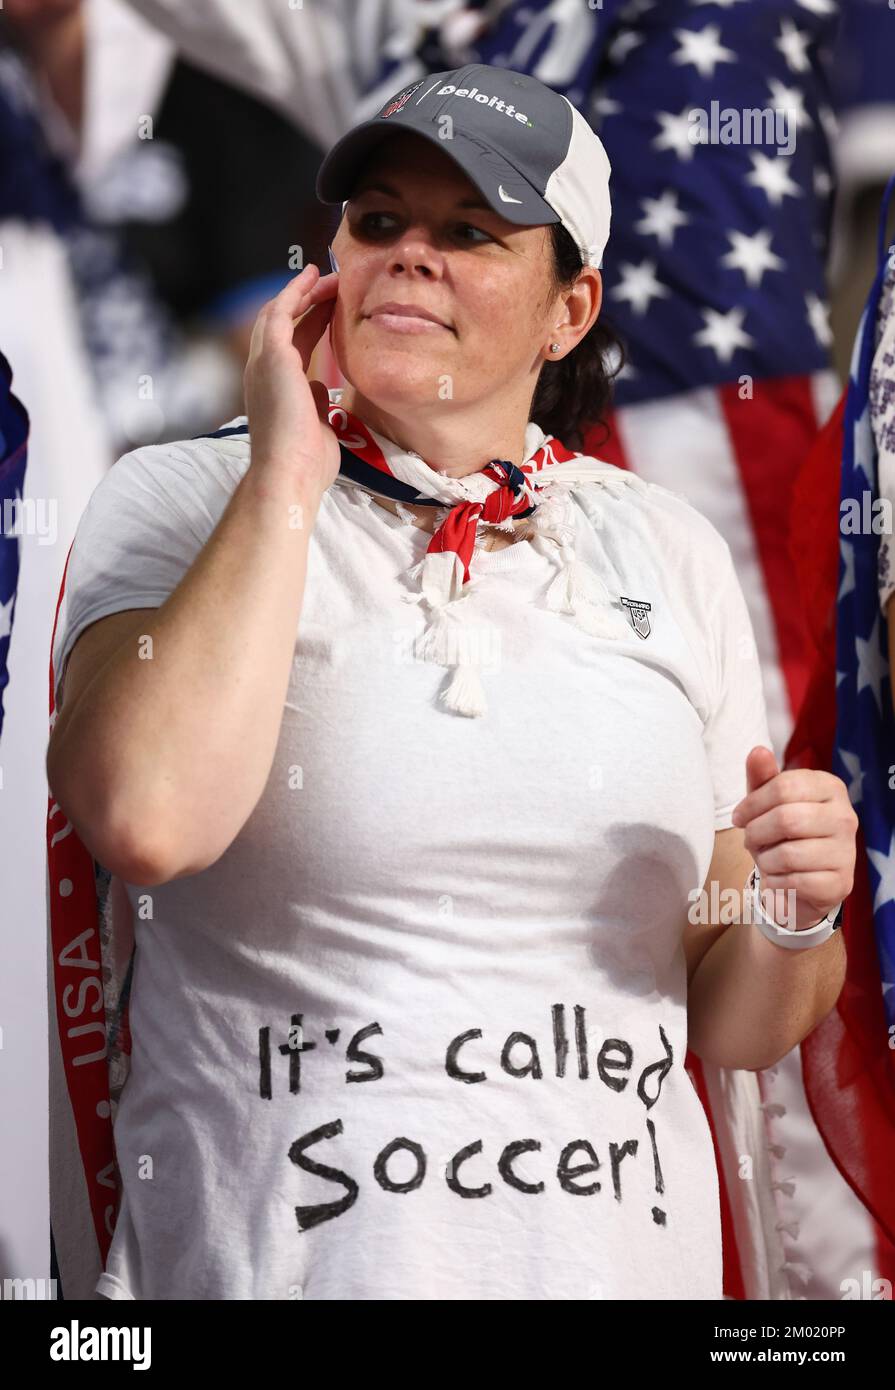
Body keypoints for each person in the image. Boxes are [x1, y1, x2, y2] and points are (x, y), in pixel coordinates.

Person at [45, 64, 855, 1301]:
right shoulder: (181, 499)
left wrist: (796, 909)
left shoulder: (665, 544)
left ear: (568, 309)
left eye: (469, 230)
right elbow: (146, 818)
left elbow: (732, 1015)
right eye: (378, 221)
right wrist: (285, 478)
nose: (408, 254)